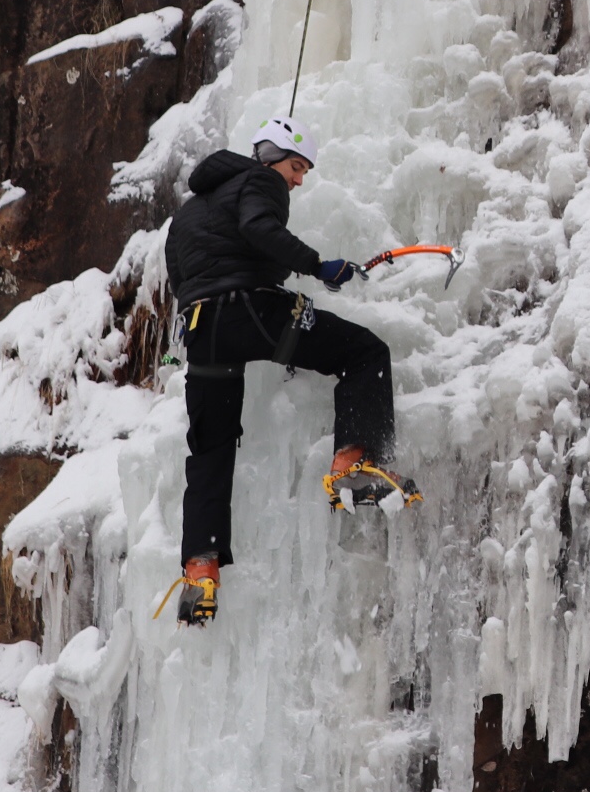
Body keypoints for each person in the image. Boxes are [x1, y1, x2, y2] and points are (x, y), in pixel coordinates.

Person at [156, 116, 414, 625]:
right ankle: (354, 469)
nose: (298, 180)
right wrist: (319, 266)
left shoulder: (186, 216)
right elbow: (258, 229)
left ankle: (200, 572)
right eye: (297, 167)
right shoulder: (260, 180)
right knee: (364, 353)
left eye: (303, 172)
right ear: (273, 157)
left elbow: (180, 277)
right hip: (250, 311)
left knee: (210, 447)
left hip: (202, 333)